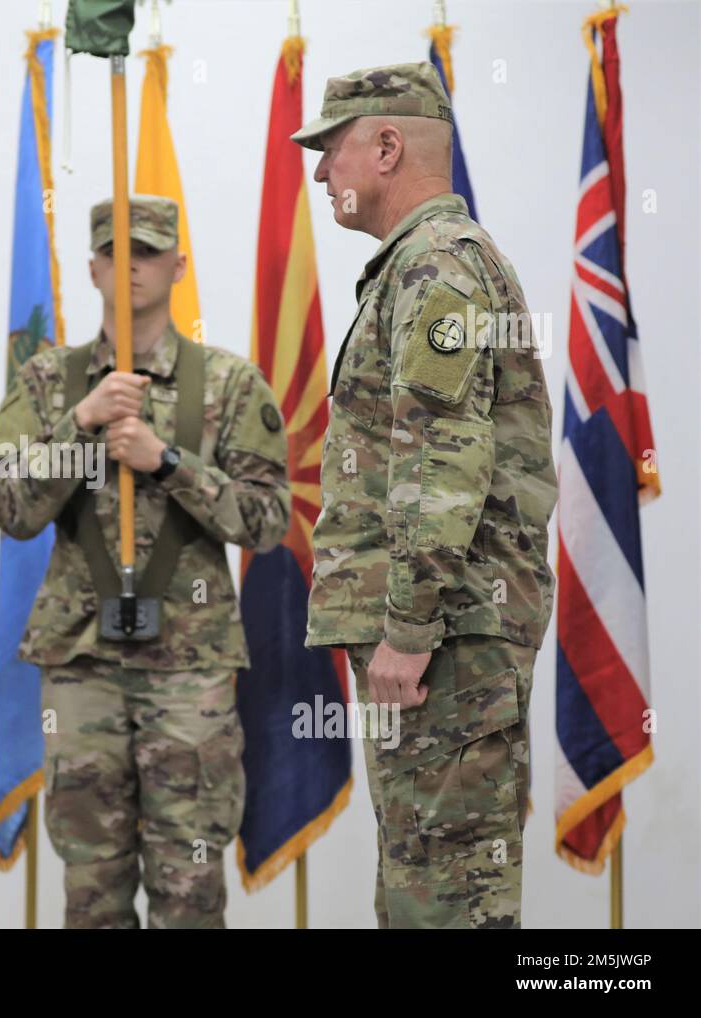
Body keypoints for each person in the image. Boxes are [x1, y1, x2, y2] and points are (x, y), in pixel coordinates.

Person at [292, 63, 557, 928]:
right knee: (420, 892)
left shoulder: (437, 268)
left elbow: (442, 463)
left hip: (444, 644)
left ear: (386, 145)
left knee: (446, 903)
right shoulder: (418, 266)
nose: (322, 172)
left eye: (330, 150)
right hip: (444, 639)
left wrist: (407, 630)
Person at [0, 194, 291, 928]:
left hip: (190, 664)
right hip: (82, 662)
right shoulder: (46, 384)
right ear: (92, 267)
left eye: (150, 252)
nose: (132, 268)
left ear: (179, 266)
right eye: (117, 254)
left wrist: (168, 464)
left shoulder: (228, 383)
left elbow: (269, 523)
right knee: (91, 888)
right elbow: (13, 512)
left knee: (189, 889)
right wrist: (81, 422)